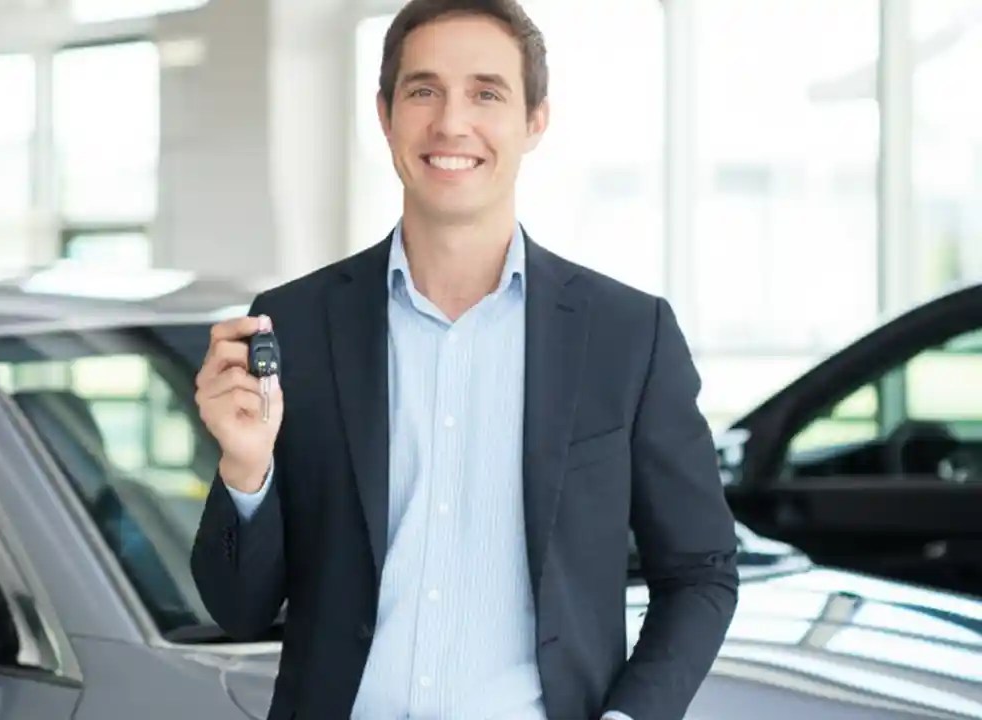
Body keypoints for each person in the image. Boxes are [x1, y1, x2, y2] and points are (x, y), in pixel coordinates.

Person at [190, 1, 739, 718]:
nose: (451, 123)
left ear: (535, 121)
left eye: (486, 93)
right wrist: (246, 471)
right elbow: (238, 609)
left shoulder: (628, 335)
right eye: (424, 91)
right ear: (385, 115)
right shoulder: (295, 324)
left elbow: (700, 573)